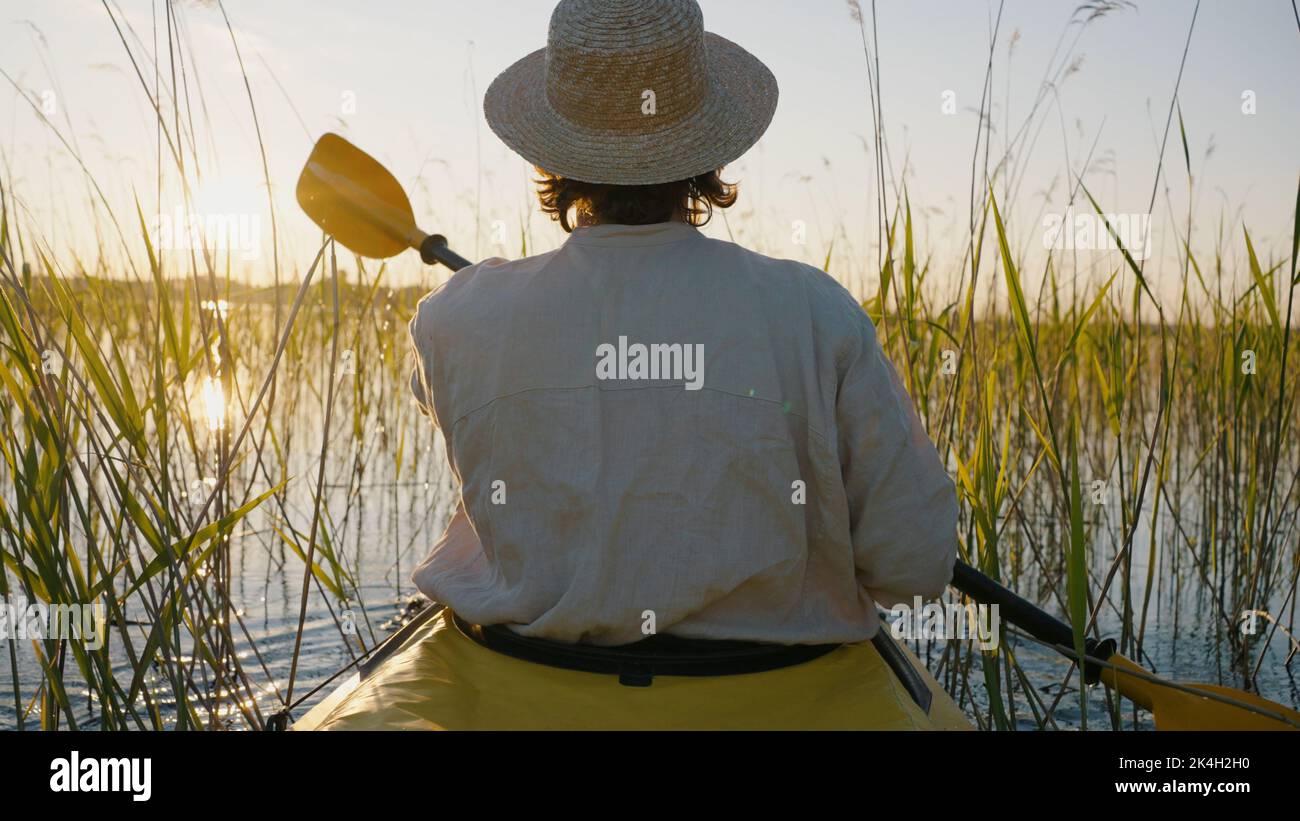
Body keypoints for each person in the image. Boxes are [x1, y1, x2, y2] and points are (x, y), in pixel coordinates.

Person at [408, 0, 957, 648]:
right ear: (708, 153)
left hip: (521, 673)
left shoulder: (454, 316)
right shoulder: (818, 314)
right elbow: (914, 568)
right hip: (767, 686)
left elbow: (448, 401)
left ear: (552, 156)